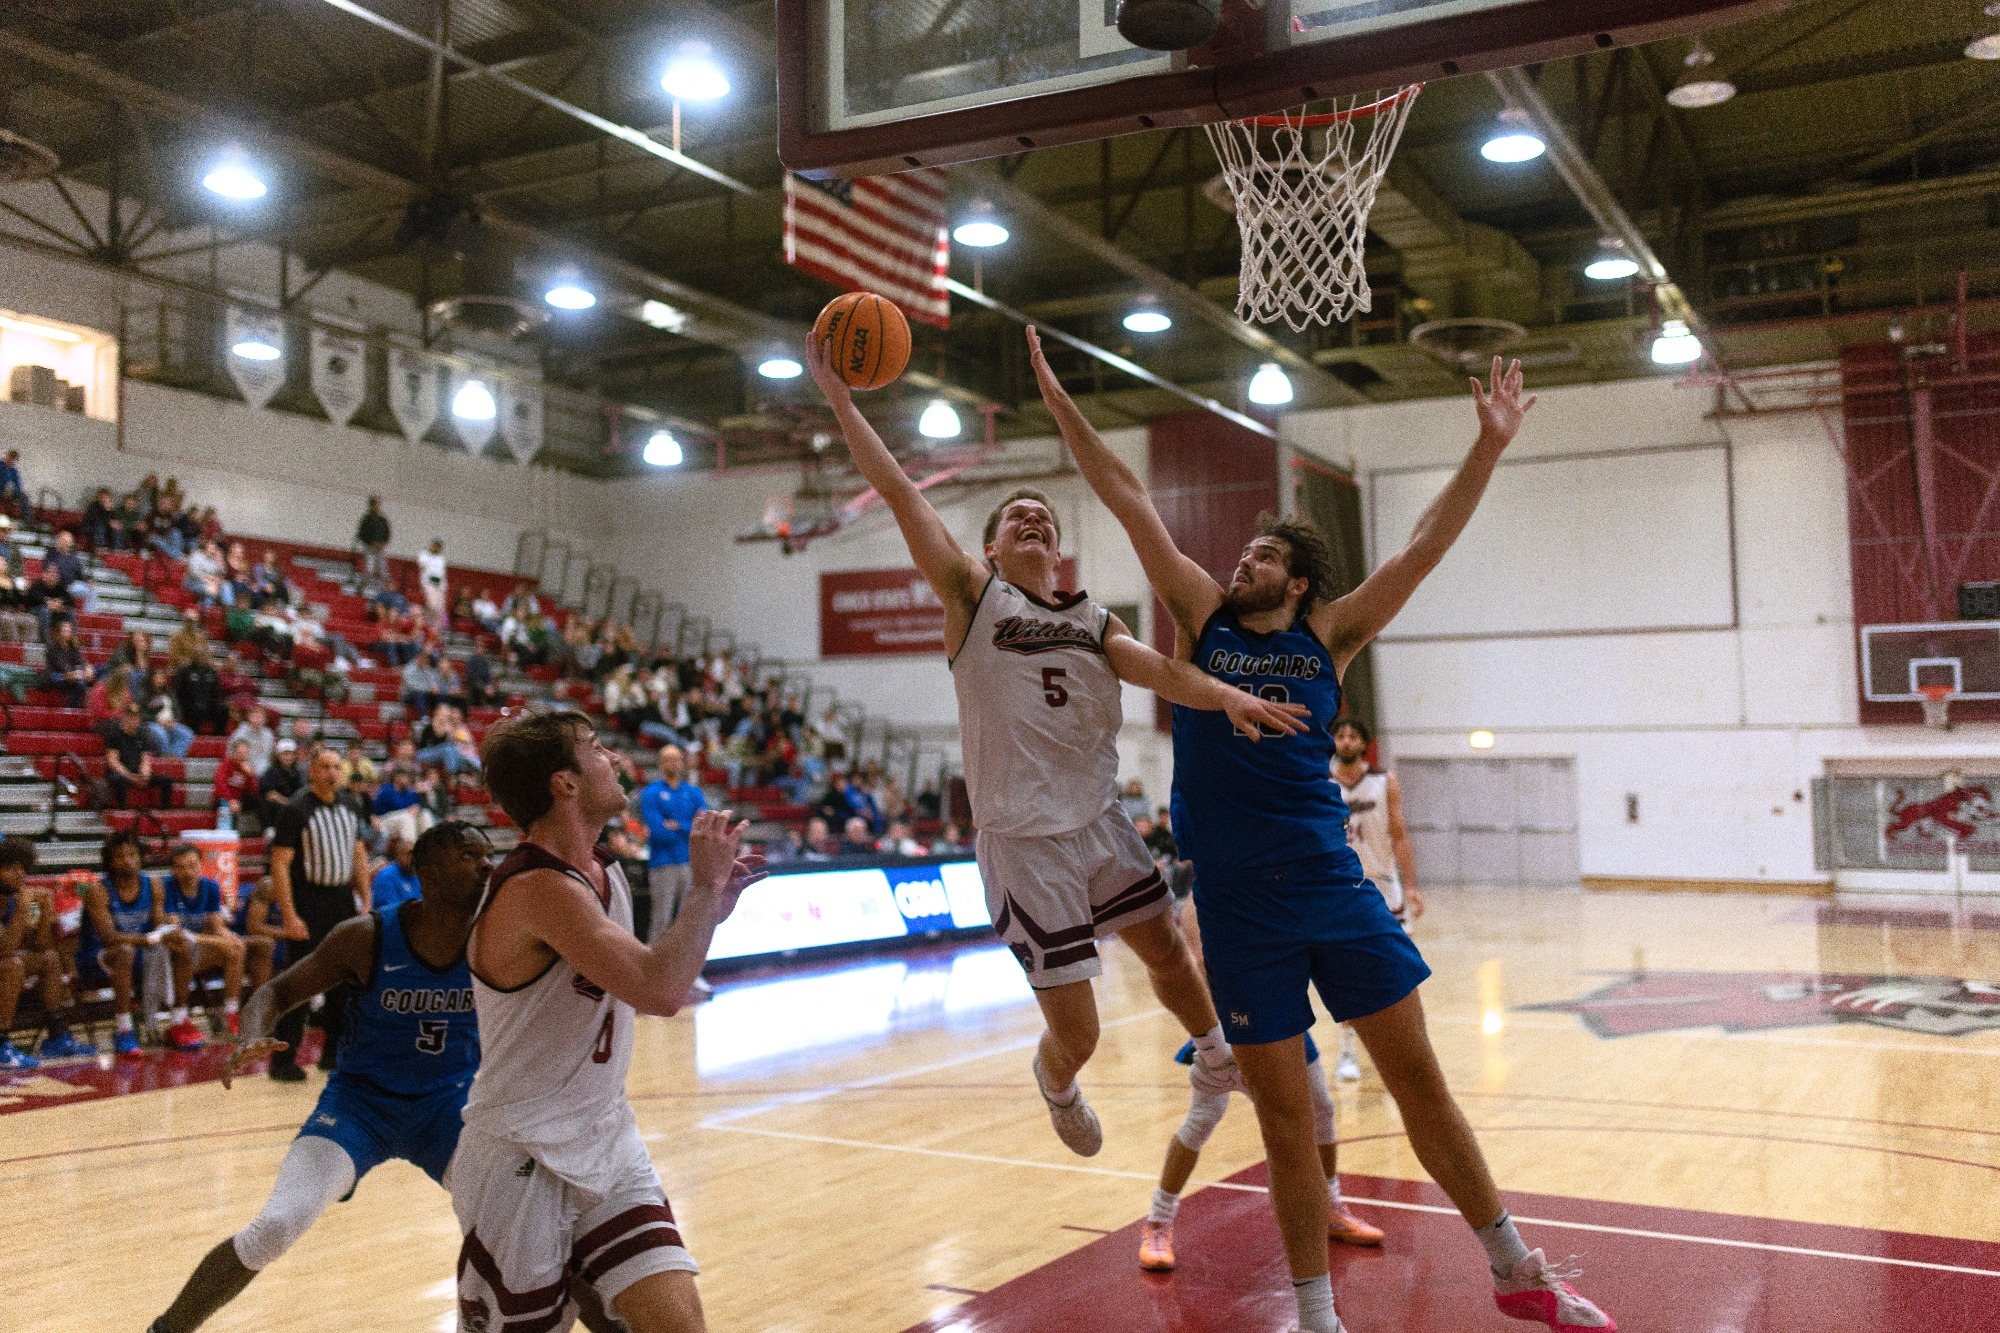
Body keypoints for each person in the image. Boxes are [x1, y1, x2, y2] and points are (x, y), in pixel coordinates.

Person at [1045, 333, 1611, 1333]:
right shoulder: (1198, 617)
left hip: (1331, 887)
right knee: (1285, 1122)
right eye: (1243, 551)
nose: (1240, 559)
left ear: (1296, 579)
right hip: (1236, 904)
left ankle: (1512, 1266)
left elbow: (1422, 546)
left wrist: (1485, 447)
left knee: (1420, 1080)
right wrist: (1059, 405)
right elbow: (1133, 502)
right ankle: (1315, 1320)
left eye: (1261, 555)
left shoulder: (1328, 634)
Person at [810, 338, 1306, 1160]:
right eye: (1015, 517)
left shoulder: (1093, 620)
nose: (1034, 516)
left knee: (1172, 954)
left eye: (1045, 514)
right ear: (994, 549)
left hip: (1100, 820)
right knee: (1081, 1031)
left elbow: (1164, 673)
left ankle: (1216, 1056)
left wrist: (1228, 696)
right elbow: (901, 493)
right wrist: (840, 398)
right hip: (1025, 841)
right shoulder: (974, 596)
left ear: (1059, 548)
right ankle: (1056, 1079)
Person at [451, 710, 762, 1333]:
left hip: (605, 1137)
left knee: (677, 1323)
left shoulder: (605, 870)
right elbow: (660, 991)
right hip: (523, 1154)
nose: (614, 758)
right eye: (595, 748)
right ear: (564, 783)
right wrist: (699, 894)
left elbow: (646, 970)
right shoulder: (537, 886)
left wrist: (710, 913)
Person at [149, 823, 522, 1333]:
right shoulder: (368, 936)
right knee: (275, 1228)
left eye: (489, 854)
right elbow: (277, 992)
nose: (486, 865)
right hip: (359, 1108)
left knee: (505, 1228)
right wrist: (250, 1035)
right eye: (470, 855)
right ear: (428, 873)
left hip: (448, 1107)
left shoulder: (499, 939)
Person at [1137, 898, 1380, 1273]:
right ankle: (1158, 1221)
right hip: (1226, 1034)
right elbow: (1200, 969)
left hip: (1284, 1022)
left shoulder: (1270, 888)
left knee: (1323, 1111)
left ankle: (1331, 1207)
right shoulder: (1199, 904)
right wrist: (1214, 1041)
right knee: (1201, 1121)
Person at [265, 746, 372, 1081]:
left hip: (341, 899)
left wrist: (365, 898)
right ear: (311, 771)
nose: (332, 773)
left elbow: (358, 855)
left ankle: (333, 1053)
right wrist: (289, 914)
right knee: (300, 982)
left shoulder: (351, 805)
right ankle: (282, 1060)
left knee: (344, 981)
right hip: (308, 901)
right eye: (325, 766)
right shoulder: (296, 809)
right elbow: (279, 866)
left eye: (337, 767)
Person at [1330, 715, 1422, 1082]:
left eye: (1354, 736)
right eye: (1341, 735)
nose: (1347, 741)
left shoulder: (1385, 781)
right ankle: (1348, 1050)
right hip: (1341, 889)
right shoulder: (1320, 782)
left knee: (1399, 973)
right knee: (1347, 975)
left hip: (1385, 886)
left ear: (1365, 744)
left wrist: (1412, 885)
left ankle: (1400, 1053)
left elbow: (1399, 834)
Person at [0, 838, 94, 1066]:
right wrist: (24, 908)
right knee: (12, 964)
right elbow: (5, 949)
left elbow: (41, 945)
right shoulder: (19, 902)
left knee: (49, 959)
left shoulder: (14, 899)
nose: (19, 874)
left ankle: (56, 1037)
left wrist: (46, 910)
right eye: (10, 868)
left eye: (22, 869)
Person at [80, 830, 175, 1056]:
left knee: (180, 945)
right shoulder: (98, 890)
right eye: (120, 856)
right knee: (124, 951)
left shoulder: (153, 885)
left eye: (132, 854)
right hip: (97, 957)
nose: (128, 860)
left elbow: (158, 926)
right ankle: (123, 1029)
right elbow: (109, 938)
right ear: (110, 862)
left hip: (139, 951)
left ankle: (179, 1020)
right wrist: (145, 939)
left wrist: (170, 926)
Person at [161, 843, 266, 1042]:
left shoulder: (210, 886)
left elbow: (217, 926)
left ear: (201, 865)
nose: (187, 872)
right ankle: (179, 1018)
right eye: (181, 867)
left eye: (192, 865)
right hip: (170, 952)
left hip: (198, 947)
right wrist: (218, 941)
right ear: (173, 869)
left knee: (237, 948)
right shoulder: (166, 887)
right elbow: (178, 933)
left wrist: (229, 938)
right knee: (185, 948)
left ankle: (231, 1013)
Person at [635, 746, 709, 993]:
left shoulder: (693, 792)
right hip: (663, 864)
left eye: (676, 758)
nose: (672, 763)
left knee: (688, 922)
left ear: (683, 762)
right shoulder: (652, 793)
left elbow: (704, 827)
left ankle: (688, 975)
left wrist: (677, 825)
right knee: (661, 921)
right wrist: (685, 829)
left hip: (690, 864)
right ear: (659, 762)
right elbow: (657, 832)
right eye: (667, 759)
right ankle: (653, 977)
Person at [99, 704, 176, 810]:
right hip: (122, 773)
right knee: (118, 779)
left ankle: (164, 811)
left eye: (136, 717)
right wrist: (131, 777)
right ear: (124, 717)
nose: (133, 720)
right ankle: (123, 810)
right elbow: (113, 762)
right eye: (130, 717)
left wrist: (145, 774)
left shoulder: (143, 733)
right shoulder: (115, 733)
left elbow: (145, 758)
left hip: (136, 772)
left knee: (167, 780)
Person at [42, 615, 92, 709]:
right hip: (57, 675)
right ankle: (71, 710)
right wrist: (74, 674)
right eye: (65, 630)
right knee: (79, 683)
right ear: (58, 632)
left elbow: (80, 660)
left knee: (102, 669)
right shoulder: (53, 648)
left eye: (69, 631)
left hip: (72, 675)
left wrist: (86, 668)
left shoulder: (72, 646)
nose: (67, 632)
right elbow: (62, 666)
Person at [257, 738, 306, 831]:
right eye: (285, 754)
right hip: (278, 808)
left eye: (291, 754)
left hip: (293, 805)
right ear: (278, 755)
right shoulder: (271, 771)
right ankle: (270, 829)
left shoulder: (297, 772)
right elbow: (270, 794)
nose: (288, 757)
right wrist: (288, 803)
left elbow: (301, 791)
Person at [370, 831, 423, 911]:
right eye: (409, 854)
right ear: (398, 855)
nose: (414, 858)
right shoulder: (386, 876)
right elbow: (390, 912)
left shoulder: (418, 876)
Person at [355, 496, 390, 585]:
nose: (378, 507)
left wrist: (383, 544)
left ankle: (386, 592)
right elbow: (361, 534)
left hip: (380, 547)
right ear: (371, 505)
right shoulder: (366, 519)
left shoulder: (383, 520)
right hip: (369, 548)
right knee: (369, 569)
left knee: (383, 570)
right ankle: (361, 586)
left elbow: (387, 533)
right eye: (376, 505)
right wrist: (371, 543)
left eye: (379, 505)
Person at [417, 538, 447, 624]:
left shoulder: (441, 558)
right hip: (428, 583)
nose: (436, 548)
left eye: (438, 547)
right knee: (432, 605)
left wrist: (444, 587)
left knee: (439, 609)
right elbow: (421, 565)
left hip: (440, 585)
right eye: (434, 546)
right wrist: (429, 552)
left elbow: (442, 573)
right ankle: (424, 622)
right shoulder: (424, 555)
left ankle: (434, 630)